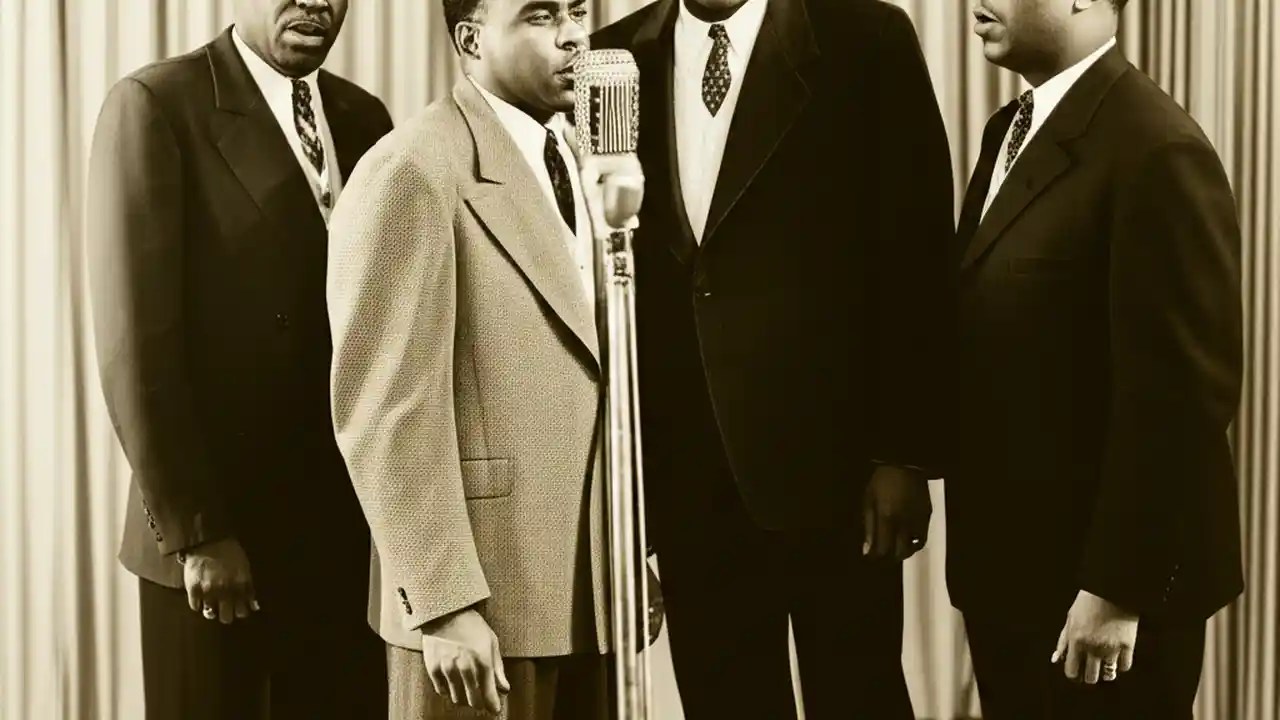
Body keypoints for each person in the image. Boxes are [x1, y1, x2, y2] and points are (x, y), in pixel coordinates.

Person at [591, 0, 954, 717]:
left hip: (839, 474)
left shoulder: (865, 37)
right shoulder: (613, 58)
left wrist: (904, 454)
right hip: (689, 478)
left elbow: (916, 251)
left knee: (858, 698)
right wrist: (628, 505)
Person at [325, 0, 634, 717]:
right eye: (540, 16)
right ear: (471, 38)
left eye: (577, 11)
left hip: (589, 598)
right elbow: (383, 409)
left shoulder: (584, 160)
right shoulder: (412, 168)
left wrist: (623, 558)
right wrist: (444, 604)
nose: (573, 36)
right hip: (481, 607)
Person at [85, 1, 393, 717]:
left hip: (344, 538)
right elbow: (137, 348)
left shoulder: (365, 119)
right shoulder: (158, 105)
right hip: (220, 547)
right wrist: (200, 533)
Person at [948, 1, 1244, 717]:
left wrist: (1117, 589)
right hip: (1011, 578)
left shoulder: (1158, 148)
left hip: (1099, 595)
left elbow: (1182, 398)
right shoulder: (1007, 129)